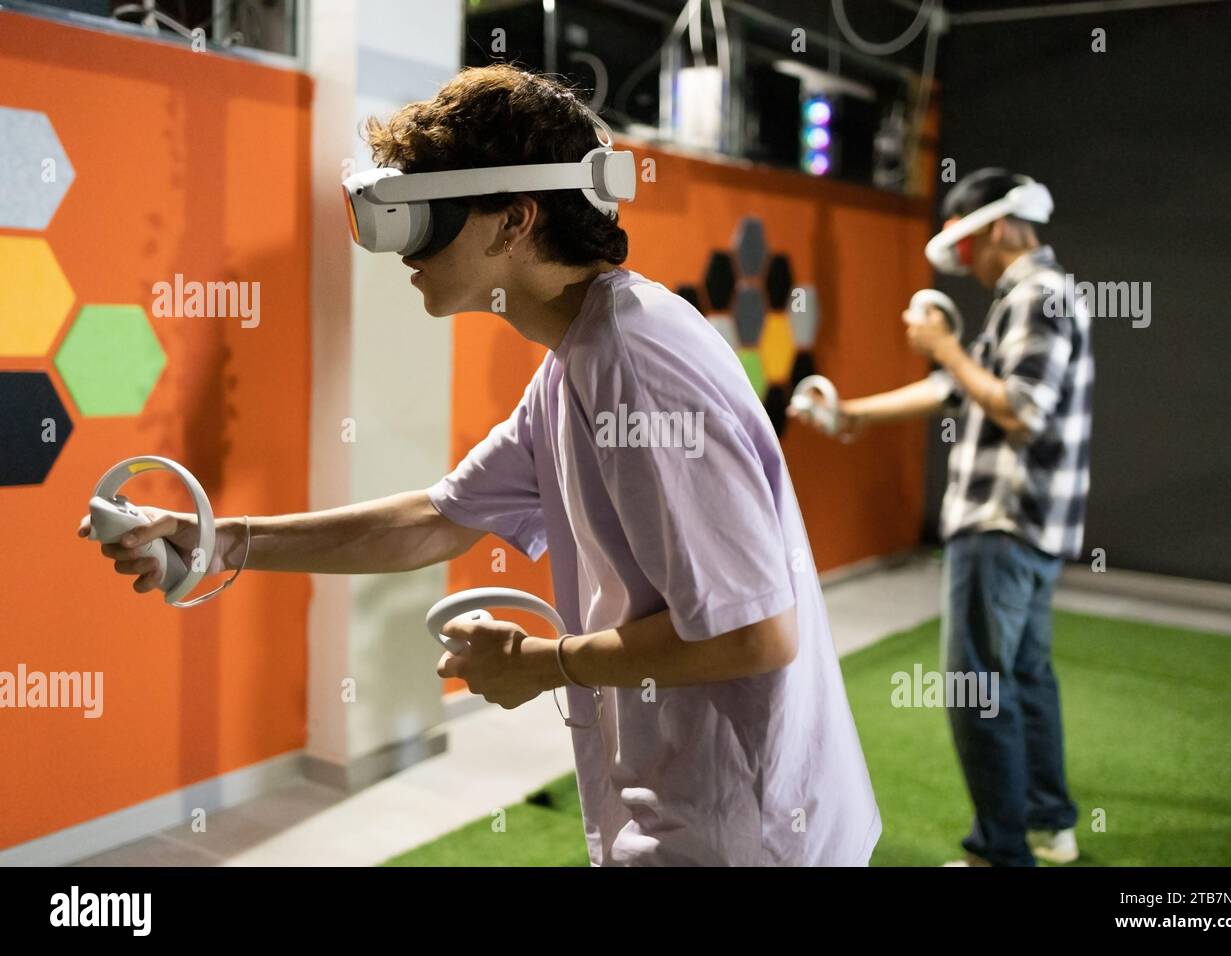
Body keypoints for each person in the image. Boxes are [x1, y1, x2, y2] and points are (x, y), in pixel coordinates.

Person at [79, 64, 881, 867]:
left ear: (513, 222)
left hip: (745, 833)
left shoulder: (632, 361)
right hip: (697, 813)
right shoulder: (581, 358)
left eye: (426, 219)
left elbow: (751, 635)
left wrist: (542, 664)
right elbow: (435, 519)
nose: (405, 251)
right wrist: (219, 540)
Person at [792, 168, 1093, 867]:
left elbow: (1019, 410)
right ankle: (1051, 827)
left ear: (997, 228)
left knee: (977, 688)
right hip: (1031, 527)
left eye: (967, 246)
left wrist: (945, 346)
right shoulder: (1036, 296)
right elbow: (957, 391)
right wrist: (854, 414)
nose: (967, 263)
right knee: (1025, 679)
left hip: (1000, 522)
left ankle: (999, 851)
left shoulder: (1037, 297)